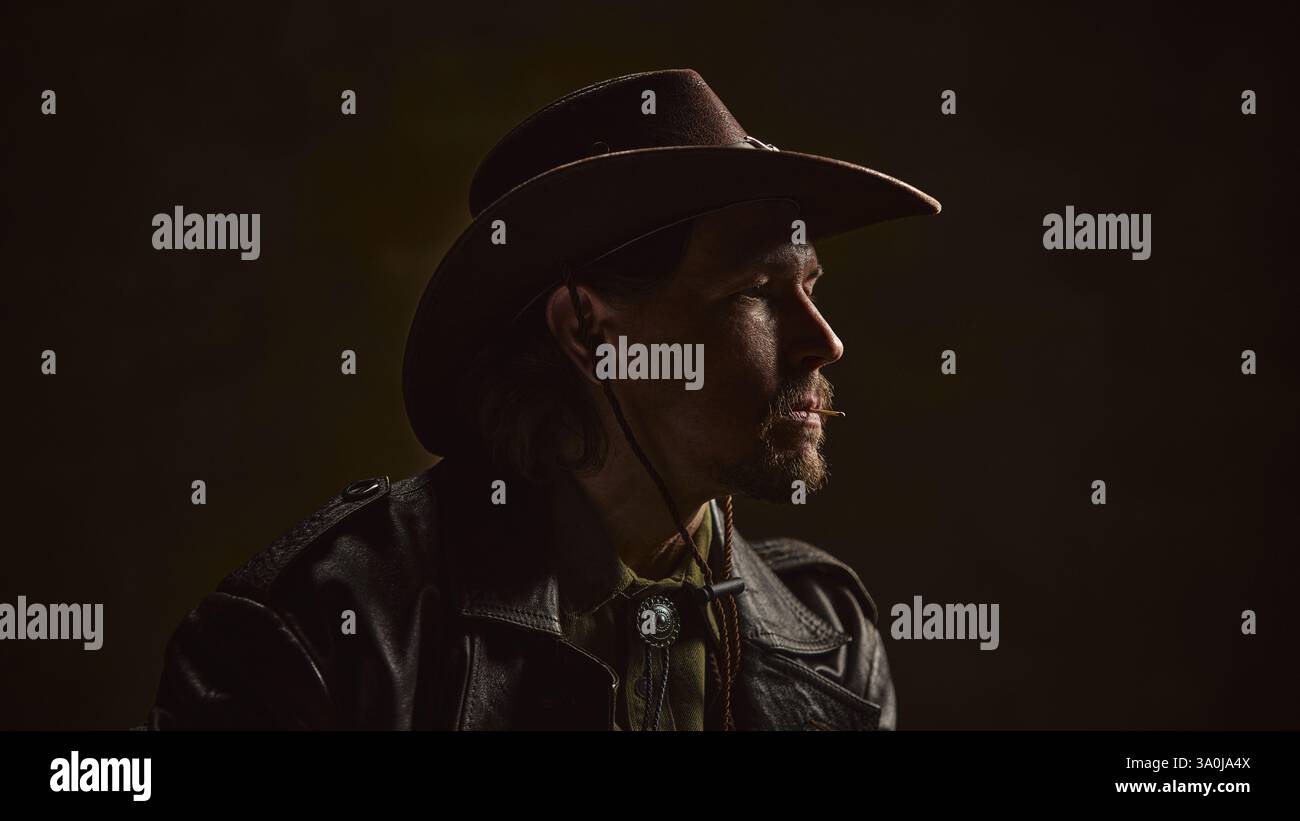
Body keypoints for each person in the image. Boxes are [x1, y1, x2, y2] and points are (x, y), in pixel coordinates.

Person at [148, 68, 940, 730]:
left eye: (809, 286)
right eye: (757, 291)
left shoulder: (830, 640)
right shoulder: (327, 629)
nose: (825, 340)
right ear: (590, 330)